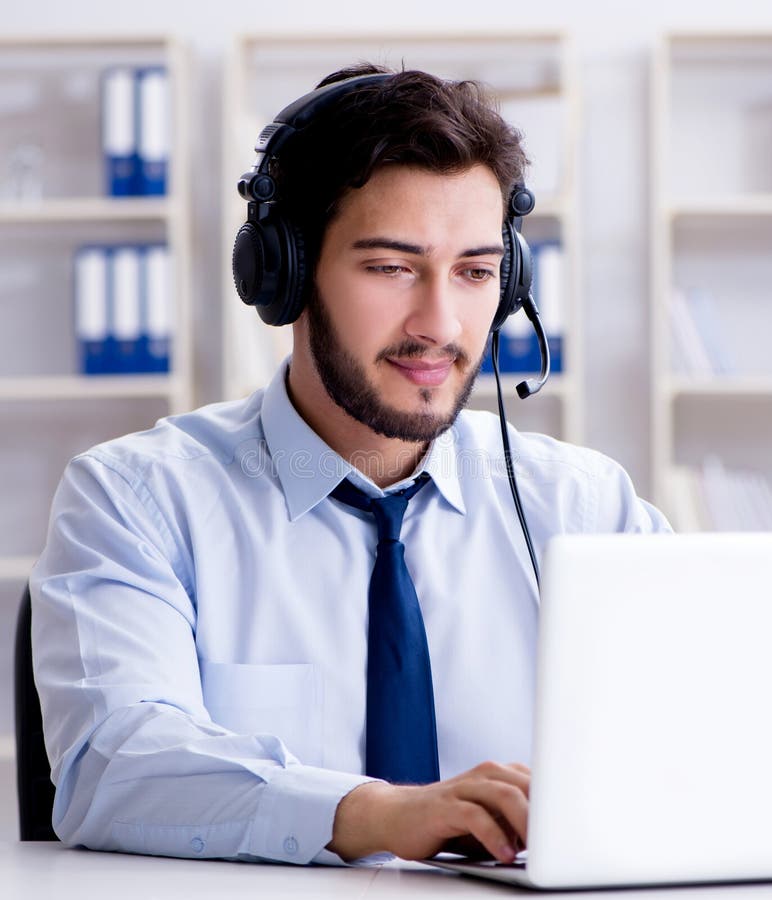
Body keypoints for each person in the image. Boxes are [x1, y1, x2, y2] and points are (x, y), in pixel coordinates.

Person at [31, 63, 670, 868]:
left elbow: (706, 735)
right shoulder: (137, 500)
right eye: (391, 268)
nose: (439, 324)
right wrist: (378, 814)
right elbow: (114, 767)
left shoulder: (586, 508)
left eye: (475, 273)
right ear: (282, 274)